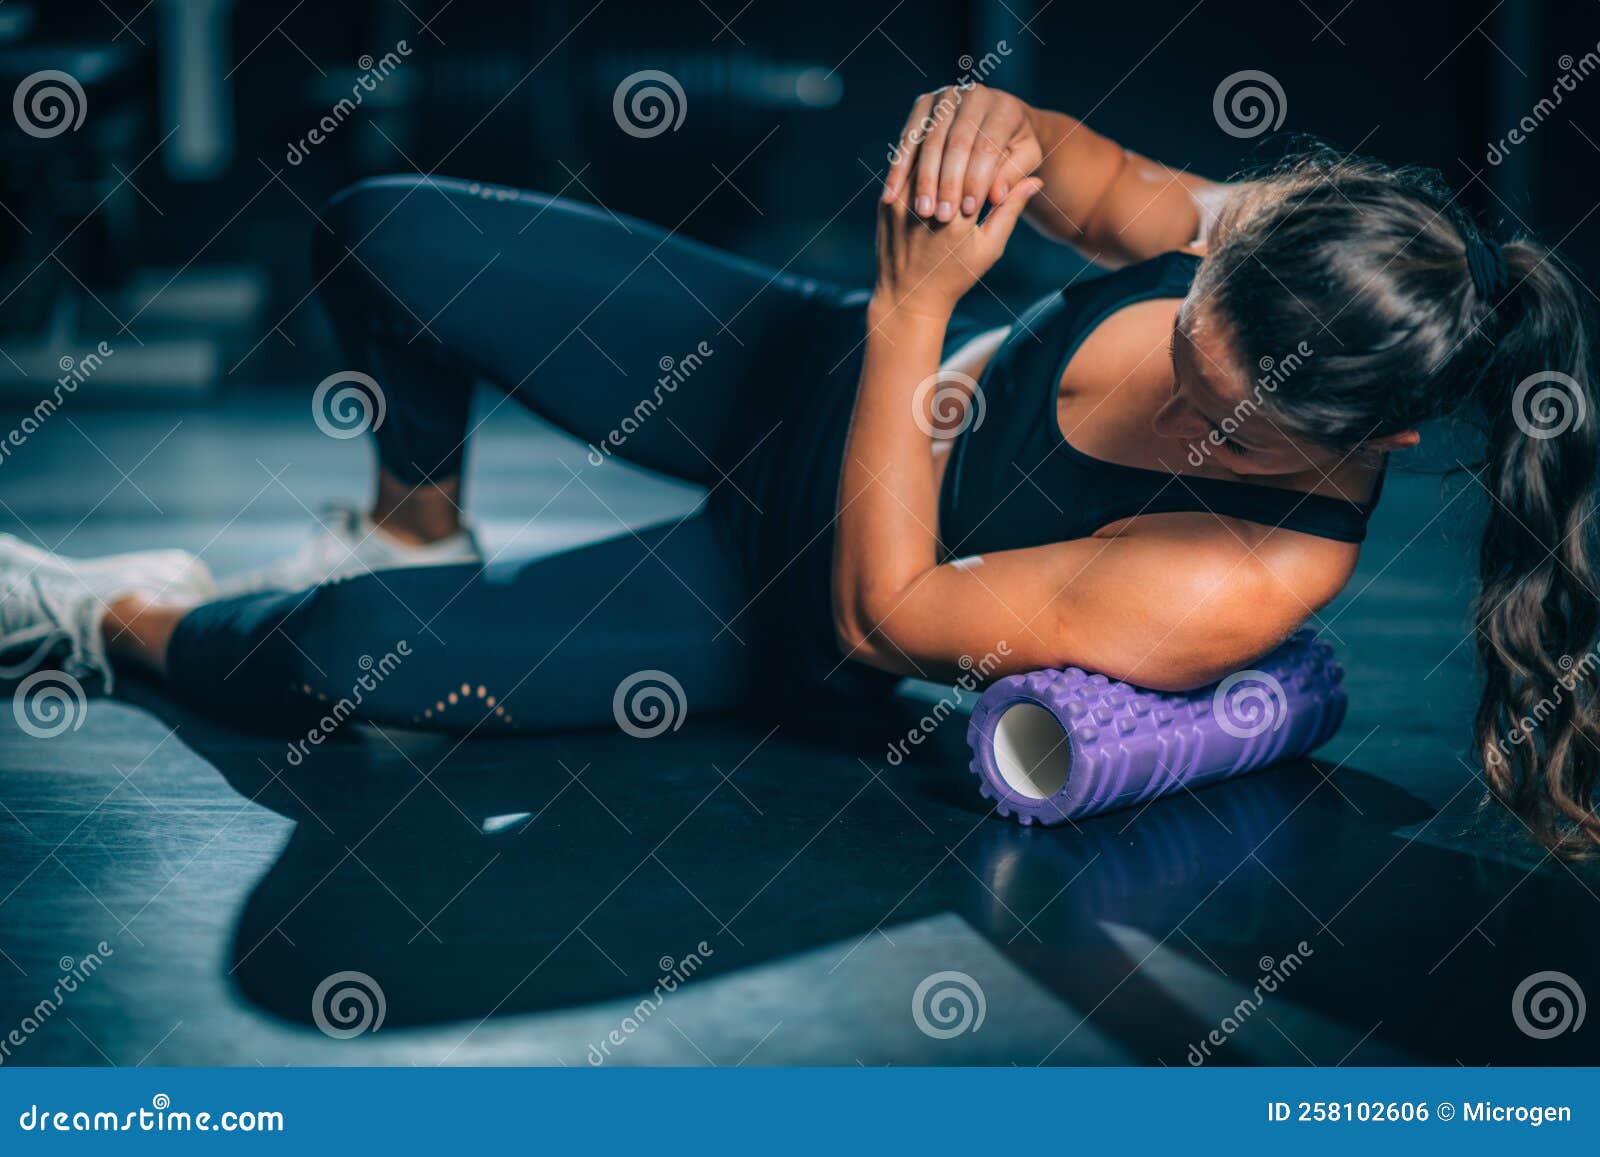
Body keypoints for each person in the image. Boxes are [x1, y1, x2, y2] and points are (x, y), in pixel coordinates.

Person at [3, 85, 1595, 854]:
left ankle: (118, 614)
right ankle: (411, 519)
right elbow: (1087, 172)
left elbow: (883, 619)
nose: (1189, 387)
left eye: (1234, 414)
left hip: (795, 588)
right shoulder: (1274, 244)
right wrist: (1001, 129)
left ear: (1377, 438)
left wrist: (917, 306)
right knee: (379, 228)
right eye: (1196, 332)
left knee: (341, 661)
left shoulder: (1259, 571)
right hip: (802, 363)